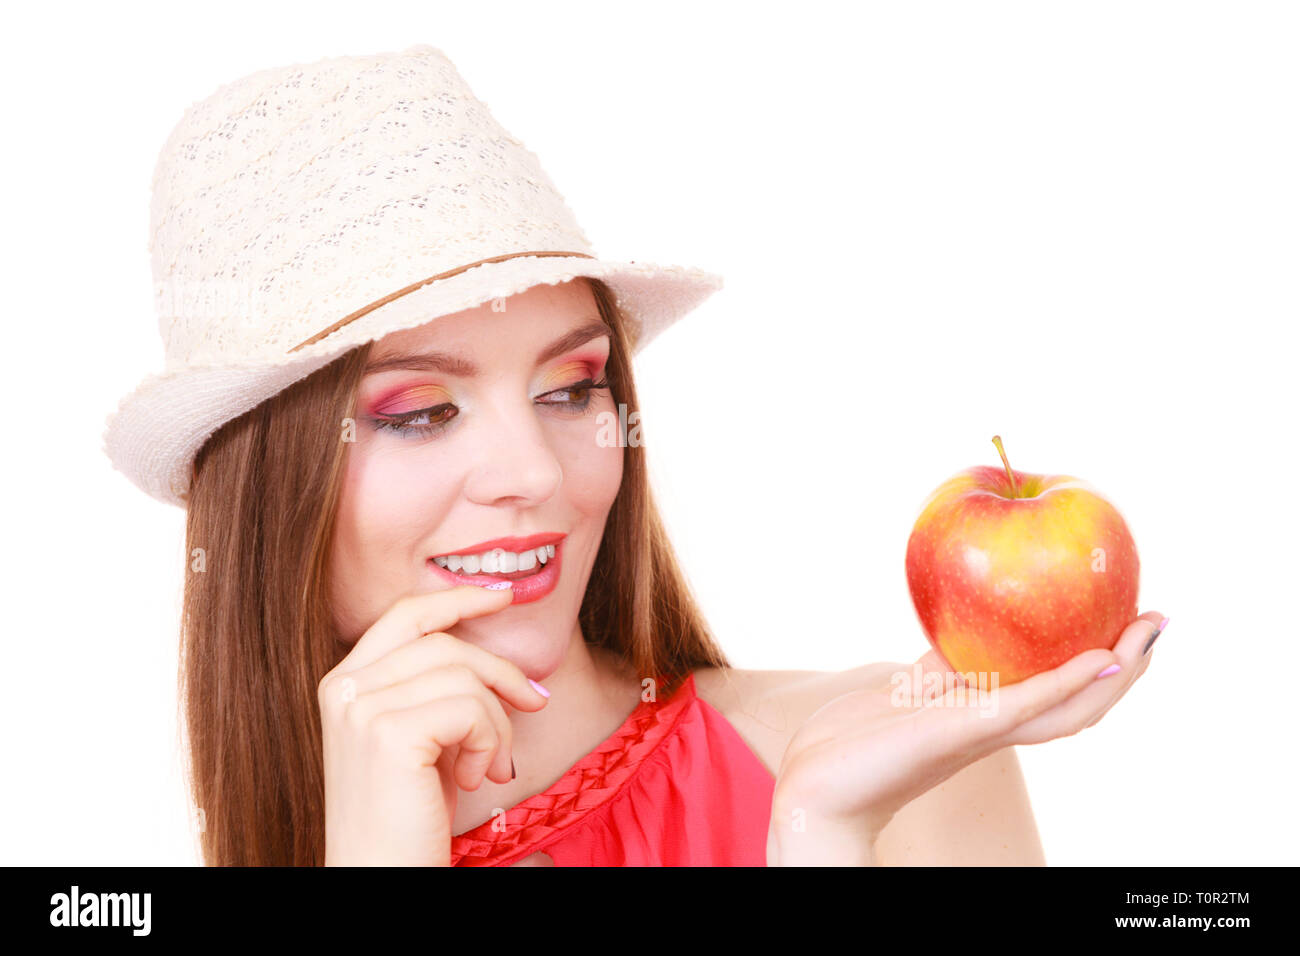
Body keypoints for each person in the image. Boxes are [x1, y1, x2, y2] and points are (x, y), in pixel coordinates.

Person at [102, 45, 1165, 867]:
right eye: (422, 411)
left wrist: (817, 835)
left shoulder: (900, 766)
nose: (536, 471)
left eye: (571, 389)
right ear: (266, 493)